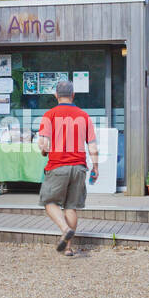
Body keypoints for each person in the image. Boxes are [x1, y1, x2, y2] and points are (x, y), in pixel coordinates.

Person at [36, 79, 98, 257]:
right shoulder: (84, 116)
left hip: (58, 166)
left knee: (49, 202)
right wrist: (96, 167)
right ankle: (69, 248)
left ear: (56, 95)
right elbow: (92, 146)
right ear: (73, 95)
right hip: (79, 167)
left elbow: (44, 144)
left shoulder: (49, 115)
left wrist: (43, 151)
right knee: (71, 207)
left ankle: (64, 229)